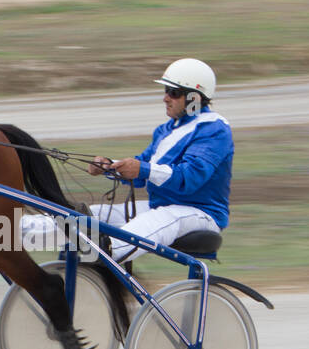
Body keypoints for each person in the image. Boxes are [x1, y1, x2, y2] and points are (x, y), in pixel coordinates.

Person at [21, 58, 233, 263]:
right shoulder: (166, 130)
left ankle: (105, 251)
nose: (165, 98)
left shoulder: (214, 129)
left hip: (201, 213)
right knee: (93, 215)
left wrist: (142, 169)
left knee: (157, 220)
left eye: (174, 93)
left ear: (194, 98)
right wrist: (108, 166)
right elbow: (142, 168)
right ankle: (15, 231)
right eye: (166, 91)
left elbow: (190, 177)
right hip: (161, 206)